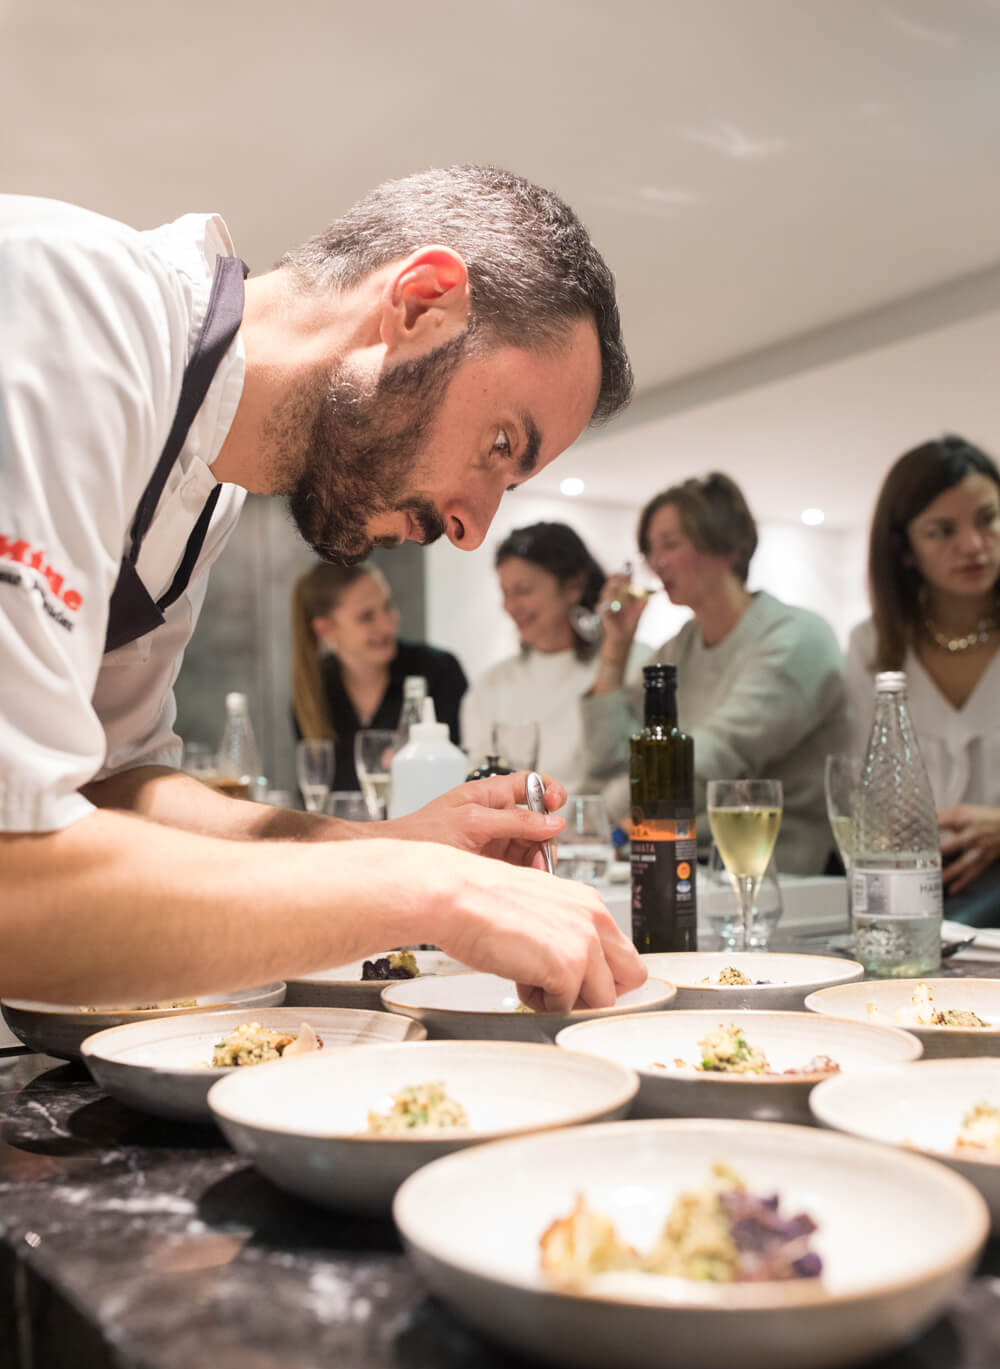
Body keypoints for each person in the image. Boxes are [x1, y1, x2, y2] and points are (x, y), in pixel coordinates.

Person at [0, 166, 646, 1013]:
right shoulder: (74, 300)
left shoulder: (206, 493)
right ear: (418, 303)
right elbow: (19, 877)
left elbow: (116, 788)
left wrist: (381, 845)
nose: (472, 530)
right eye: (499, 444)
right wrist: (423, 893)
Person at [580, 472, 849, 874]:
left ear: (728, 546)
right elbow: (613, 756)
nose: (657, 563)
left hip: (782, 872)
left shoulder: (797, 637)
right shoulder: (679, 648)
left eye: (670, 544)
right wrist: (616, 646)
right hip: (689, 863)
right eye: (650, 550)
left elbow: (717, 756)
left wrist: (592, 824)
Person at [846, 435, 1000, 925]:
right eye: (942, 531)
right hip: (913, 900)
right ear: (904, 549)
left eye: (988, 519)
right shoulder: (872, 647)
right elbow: (865, 794)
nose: (973, 545)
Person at [460, 521, 650, 792]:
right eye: (505, 593)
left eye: (524, 590)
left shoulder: (636, 664)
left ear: (574, 586)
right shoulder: (492, 684)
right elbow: (478, 782)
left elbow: (634, 771)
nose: (511, 607)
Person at [291, 560, 467, 790]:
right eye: (366, 617)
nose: (387, 625)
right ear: (325, 629)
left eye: (387, 606)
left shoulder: (438, 671)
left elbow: (464, 771)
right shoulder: (313, 694)